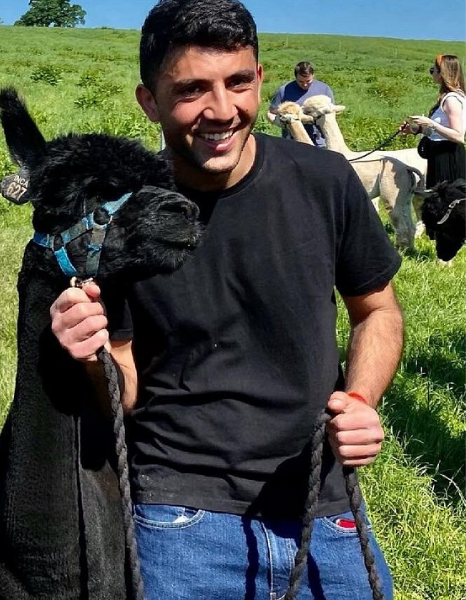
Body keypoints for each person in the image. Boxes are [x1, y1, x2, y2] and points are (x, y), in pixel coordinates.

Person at [50, 0, 403, 598]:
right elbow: (124, 387)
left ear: (261, 79)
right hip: (179, 514)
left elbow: (378, 311)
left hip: (324, 506)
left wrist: (362, 399)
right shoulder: (120, 216)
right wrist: (90, 354)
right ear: (149, 101)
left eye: (238, 82)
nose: (221, 110)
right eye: (191, 90)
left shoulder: (325, 181)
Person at [399, 53, 465, 188]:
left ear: (442, 73)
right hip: (440, 155)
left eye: (432, 70)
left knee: (445, 198)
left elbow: (458, 136)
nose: (432, 73)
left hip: (448, 157)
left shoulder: (452, 100)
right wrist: (417, 129)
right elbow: (440, 132)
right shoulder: (449, 97)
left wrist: (431, 123)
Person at [267, 61, 335, 147]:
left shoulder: (324, 89)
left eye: (308, 81)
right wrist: (283, 123)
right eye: (301, 81)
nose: (305, 84)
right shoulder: (284, 91)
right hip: (292, 142)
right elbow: (272, 112)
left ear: (313, 75)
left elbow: (331, 113)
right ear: (295, 77)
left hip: (319, 142)